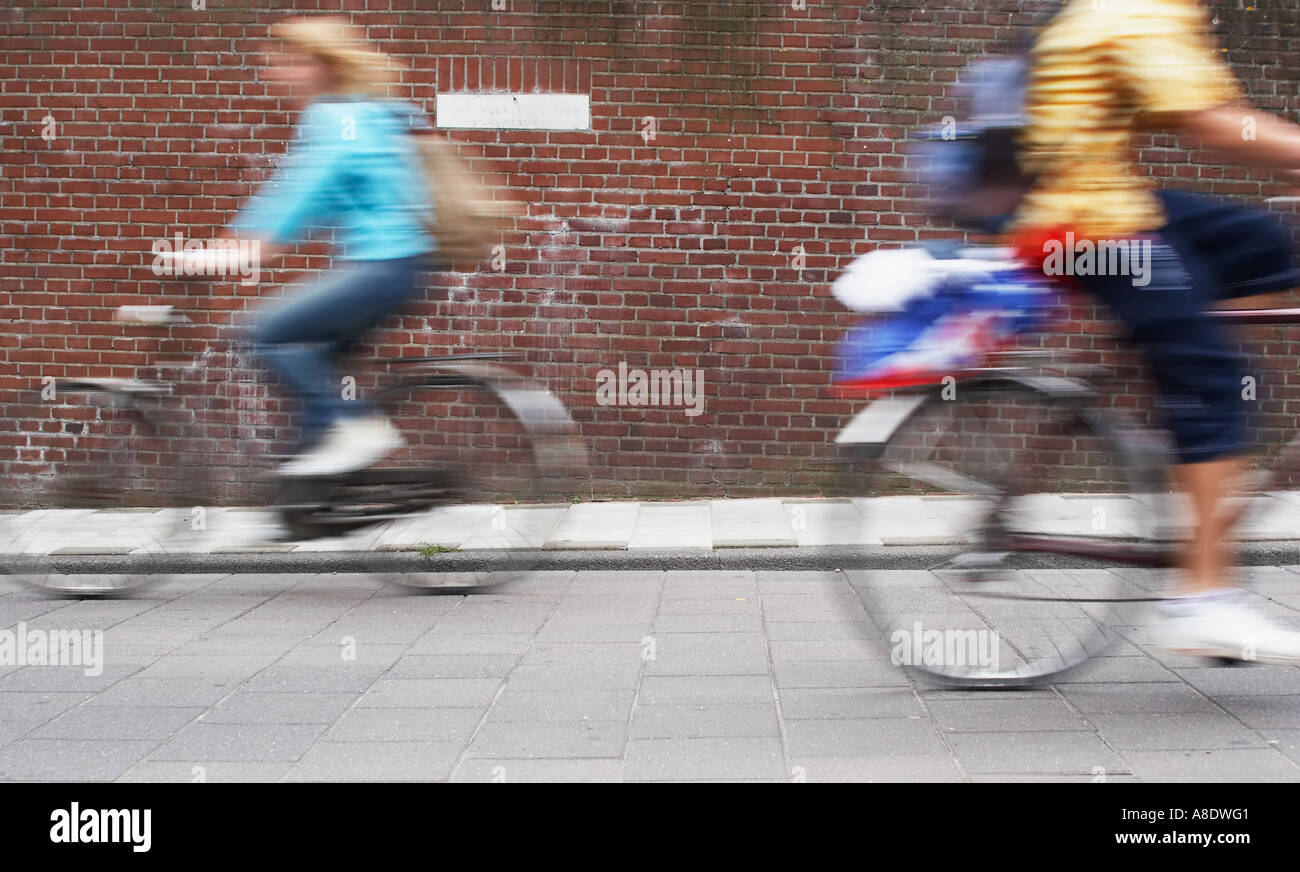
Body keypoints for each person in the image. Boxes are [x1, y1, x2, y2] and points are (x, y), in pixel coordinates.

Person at [1009, 0, 1300, 662]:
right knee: (1215, 377)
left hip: (1114, 203)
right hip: (1084, 227)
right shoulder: (1137, 9)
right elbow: (1212, 123)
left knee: (1267, 243)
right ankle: (1203, 600)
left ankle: (1190, 403)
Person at [165, 16, 437, 476]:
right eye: (274, 62)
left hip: (380, 267)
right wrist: (248, 240)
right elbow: (324, 195)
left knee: (263, 334)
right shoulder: (367, 111)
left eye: (291, 61)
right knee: (309, 360)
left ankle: (352, 430)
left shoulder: (336, 117)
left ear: (324, 66)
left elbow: (301, 191)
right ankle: (312, 502)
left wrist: (236, 248)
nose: (276, 72)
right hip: (401, 267)